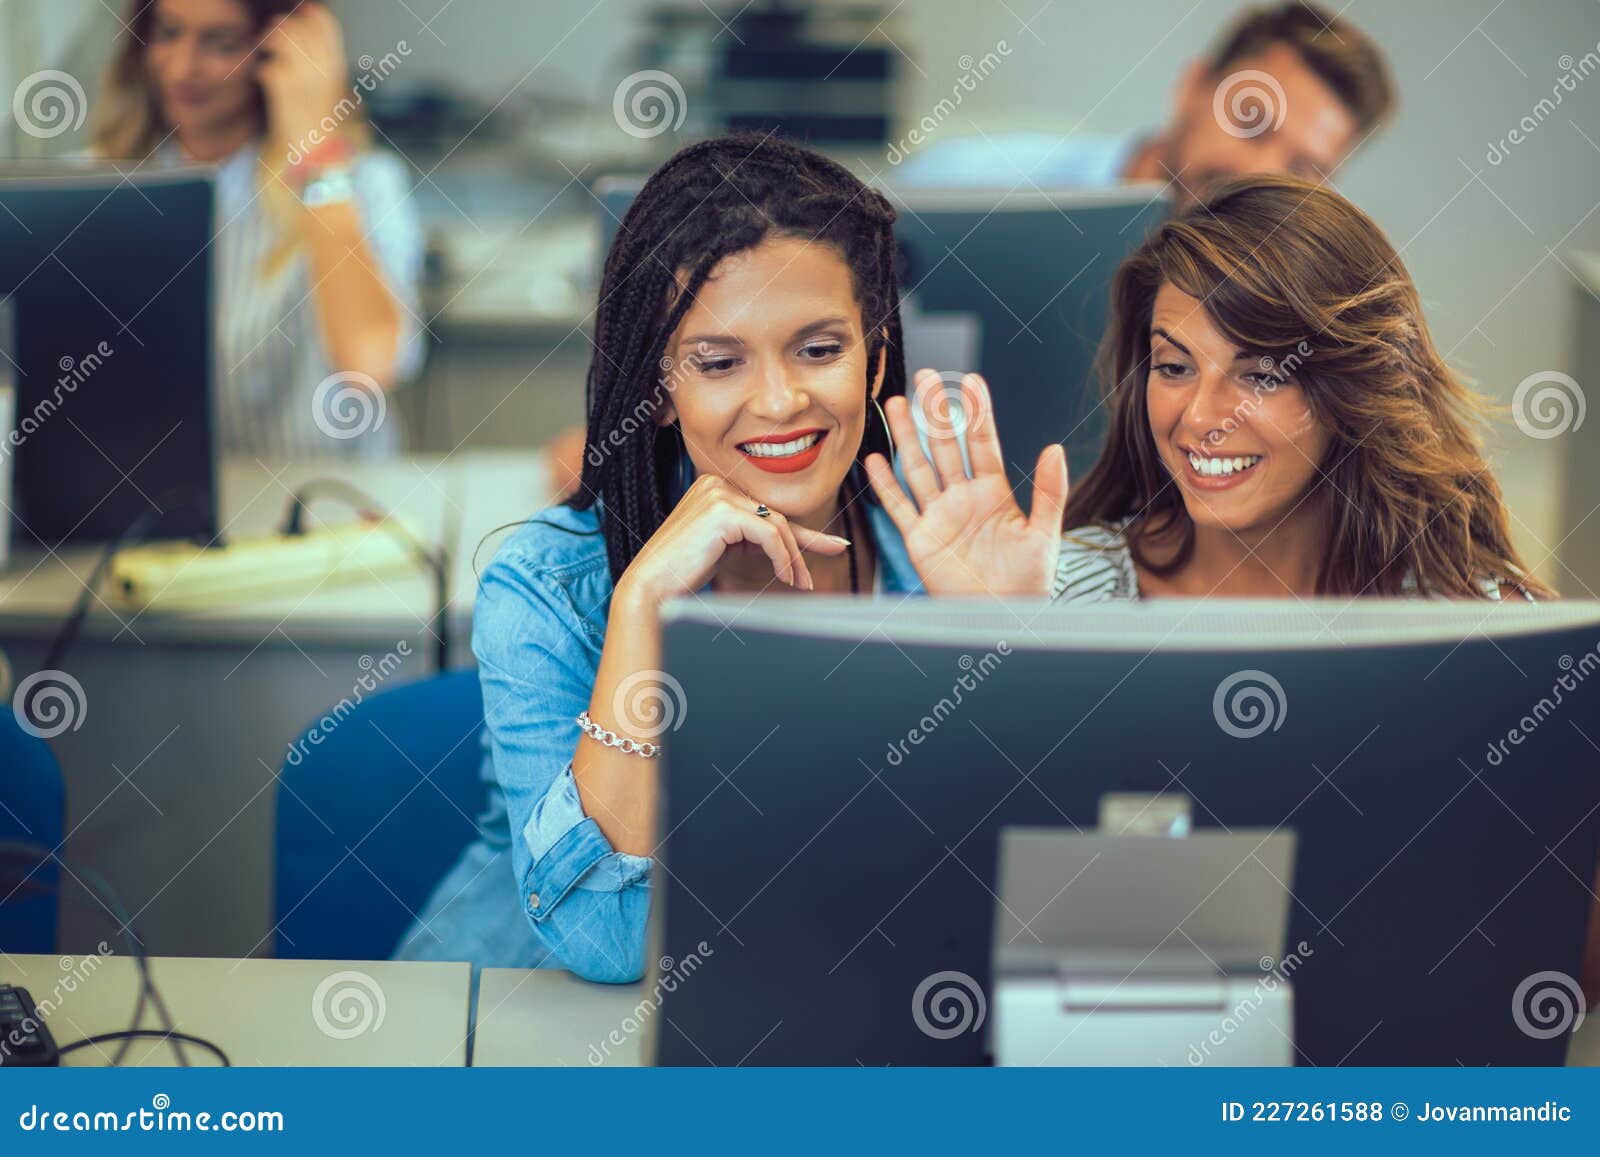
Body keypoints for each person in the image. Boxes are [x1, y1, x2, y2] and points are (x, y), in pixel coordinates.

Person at [875, 173, 1598, 1007]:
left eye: (1258, 373)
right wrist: (1005, 650)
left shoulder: (1474, 630)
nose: (1200, 417)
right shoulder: (1050, 591)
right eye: (1175, 366)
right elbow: (938, 930)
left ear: (1349, 386)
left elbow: (1565, 970)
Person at [394, 134, 1064, 978]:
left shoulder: (944, 560)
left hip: (815, 1011)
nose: (780, 401)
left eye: (820, 349)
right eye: (718, 362)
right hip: (536, 1029)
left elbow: (1035, 903)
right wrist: (640, 611)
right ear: (659, 388)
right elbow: (609, 943)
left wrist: (1008, 646)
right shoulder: (548, 588)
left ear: (877, 357)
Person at [91, 0, 424, 457]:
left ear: (279, 51)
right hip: (161, 513)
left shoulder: (359, 183)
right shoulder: (95, 185)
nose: (184, 67)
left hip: (325, 508)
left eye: (221, 44)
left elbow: (369, 365)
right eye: (168, 34)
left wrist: (317, 151)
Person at [894, 1, 1395, 206]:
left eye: (1303, 168)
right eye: (1251, 122)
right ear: (1193, 87)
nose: (1258, 173)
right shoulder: (961, 182)